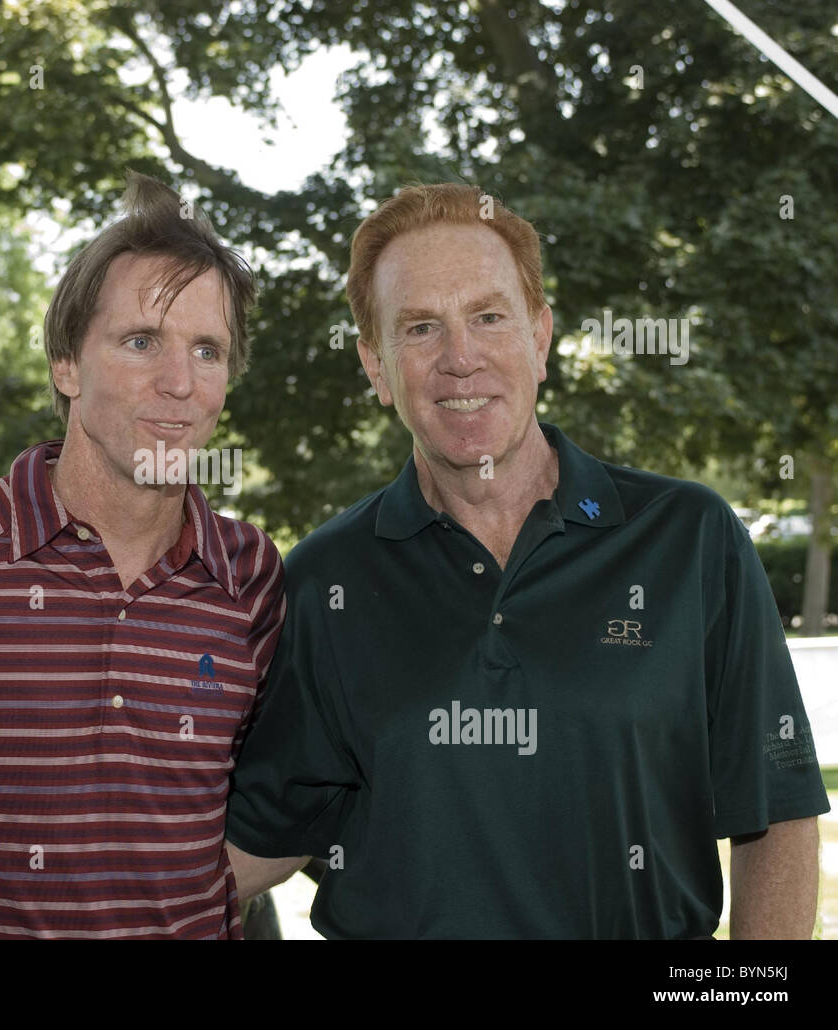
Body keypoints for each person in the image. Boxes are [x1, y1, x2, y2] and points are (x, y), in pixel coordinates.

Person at [224, 183, 829, 939]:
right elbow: (256, 842)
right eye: (419, 328)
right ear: (376, 368)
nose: (461, 358)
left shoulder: (688, 538)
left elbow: (777, 813)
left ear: (540, 339)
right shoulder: (321, 580)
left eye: (488, 316)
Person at [0, 172, 284, 938]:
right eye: (141, 342)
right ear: (67, 364)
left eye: (208, 350)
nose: (179, 382)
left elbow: (273, 809)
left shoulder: (252, 578)